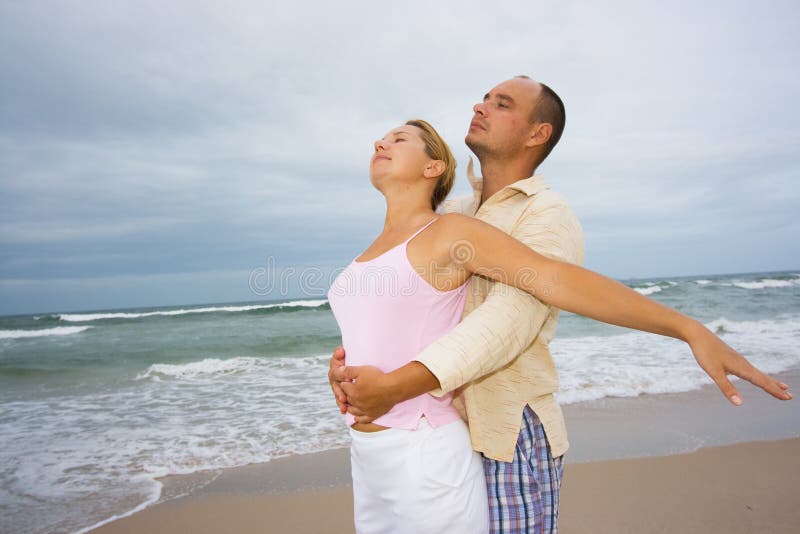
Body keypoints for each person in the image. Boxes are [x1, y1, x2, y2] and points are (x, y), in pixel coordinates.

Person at [329, 77, 793, 533]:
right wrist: (350, 374)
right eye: (484, 97)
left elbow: (511, 319)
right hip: (430, 433)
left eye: (502, 103)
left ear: (538, 133)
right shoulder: (454, 215)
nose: (480, 106)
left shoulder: (543, 214)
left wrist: (688, 328)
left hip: (508, 429)